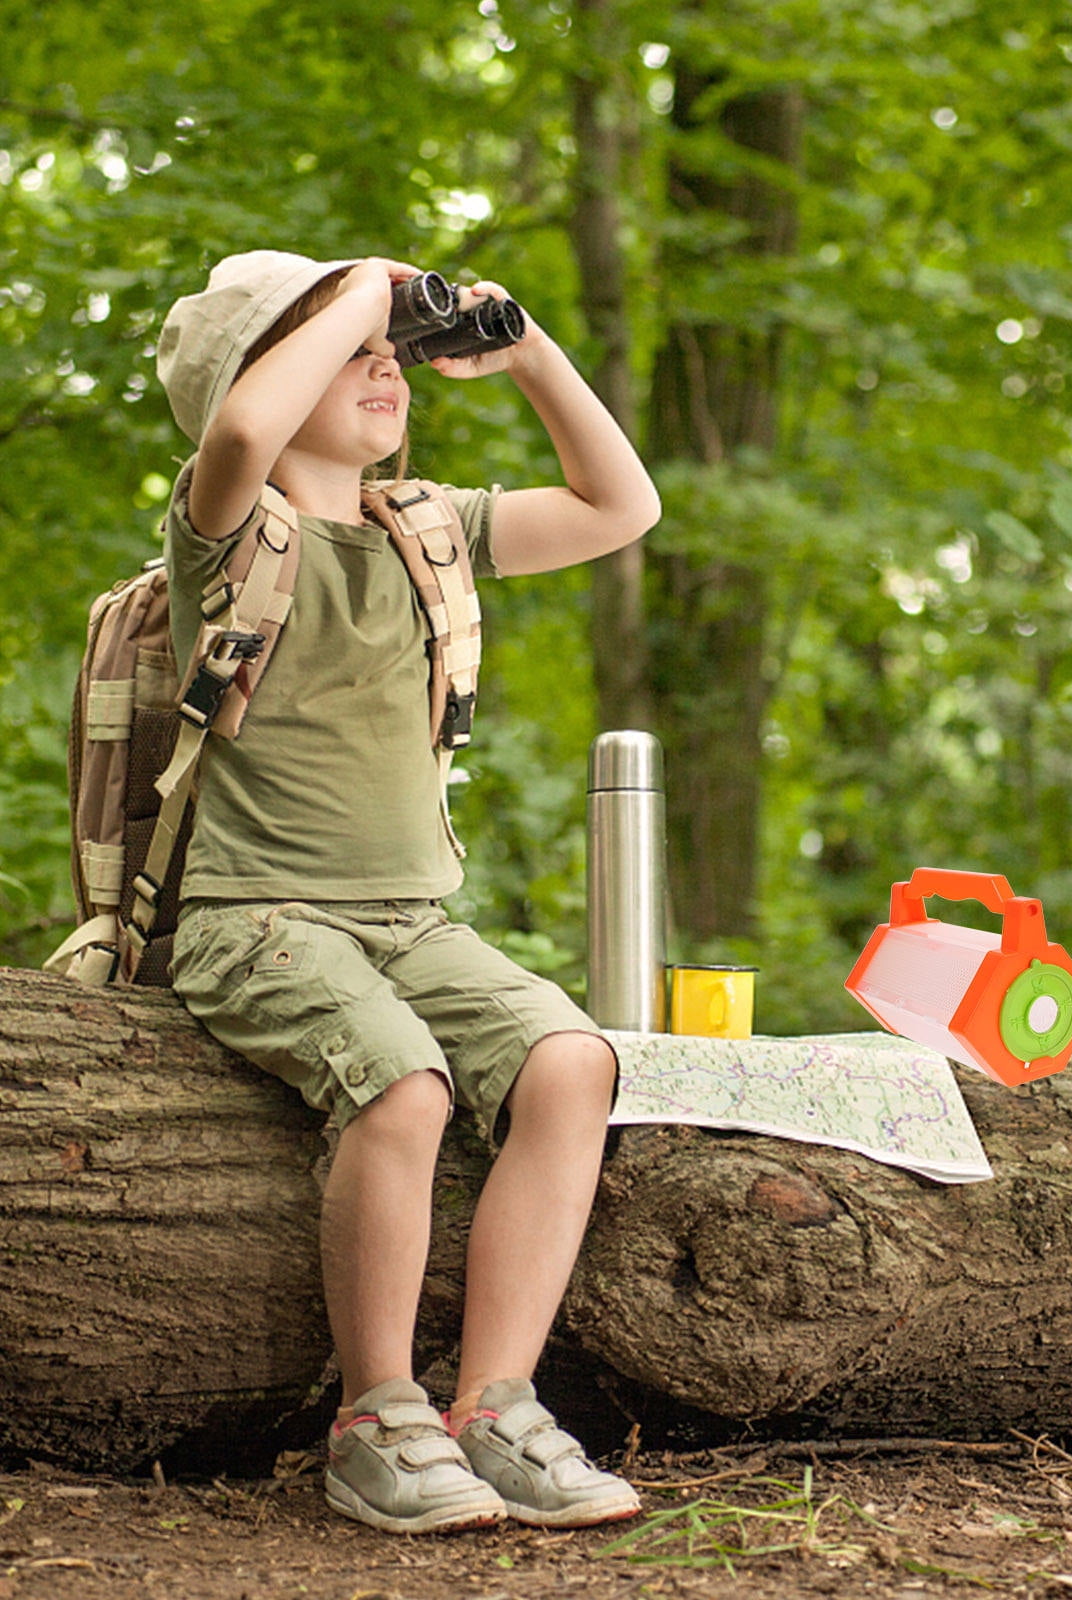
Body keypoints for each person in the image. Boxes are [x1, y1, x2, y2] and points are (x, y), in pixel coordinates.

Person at [153, 250, 661, 1535]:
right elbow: (250, 426)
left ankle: (496, 1402)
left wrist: (528, 350)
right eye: (349, 348)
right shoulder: (226, 531)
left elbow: (621, 507)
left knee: (567, 1061)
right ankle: (378, 1412)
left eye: (392, 349)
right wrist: (360, 298)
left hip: (411, 922)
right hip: (254, 917)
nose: (385, 361)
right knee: (403, 1078)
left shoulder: (427, 527)